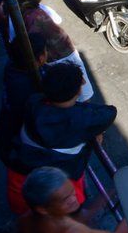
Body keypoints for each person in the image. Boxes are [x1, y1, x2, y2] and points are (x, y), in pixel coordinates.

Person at [8, 62, 117, 216]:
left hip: (20, 182)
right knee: (65, 224)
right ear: (78, 90)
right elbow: (109, 113)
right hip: (59, 192)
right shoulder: (80, 120)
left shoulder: (34, 103)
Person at [11, 0, 95, 103]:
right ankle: (84, 107)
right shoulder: (42, 9)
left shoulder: (17, 16)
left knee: (60, 89)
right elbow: (58, 19)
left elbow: (13, 38)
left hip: (47, 60)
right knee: (81, 88)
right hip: (65, 53)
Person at [0, 31, 50, 166]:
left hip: (7, 135)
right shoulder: (33, 86)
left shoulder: (13, 66)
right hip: (21, 145)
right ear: (41, 58)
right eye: (46, 50)